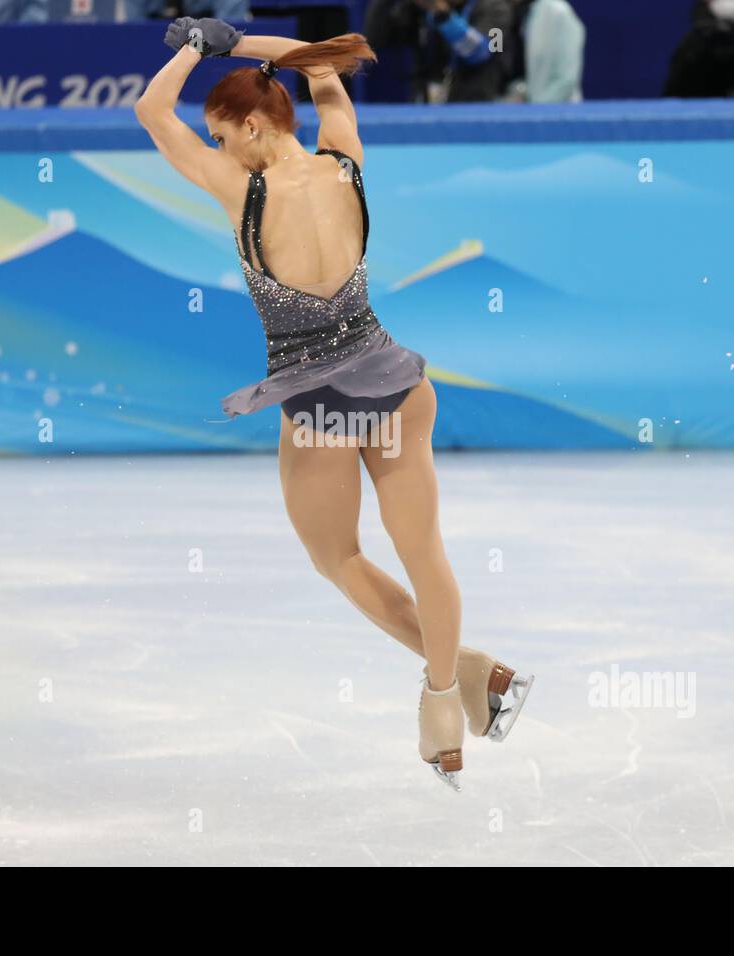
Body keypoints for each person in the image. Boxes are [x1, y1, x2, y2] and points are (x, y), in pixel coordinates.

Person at [134, 19, 533, 789]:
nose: (214, 151)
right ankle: (450, 696)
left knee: (339, 558)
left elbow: (153, 112)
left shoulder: (239, 187)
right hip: (398, 384)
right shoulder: (344, 159)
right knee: (427, 556)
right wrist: (241, 42)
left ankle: (470, 678)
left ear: (251, 126)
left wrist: (200, 45)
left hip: (321, 403)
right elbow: (324, 70)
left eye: (220, 136)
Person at [365, 0, 514, 103]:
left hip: (477, 110)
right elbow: (374, 41)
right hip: (426, 107)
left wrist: (442, 16)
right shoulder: (420, 9)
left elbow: (481, 52)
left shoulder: (498, 8)